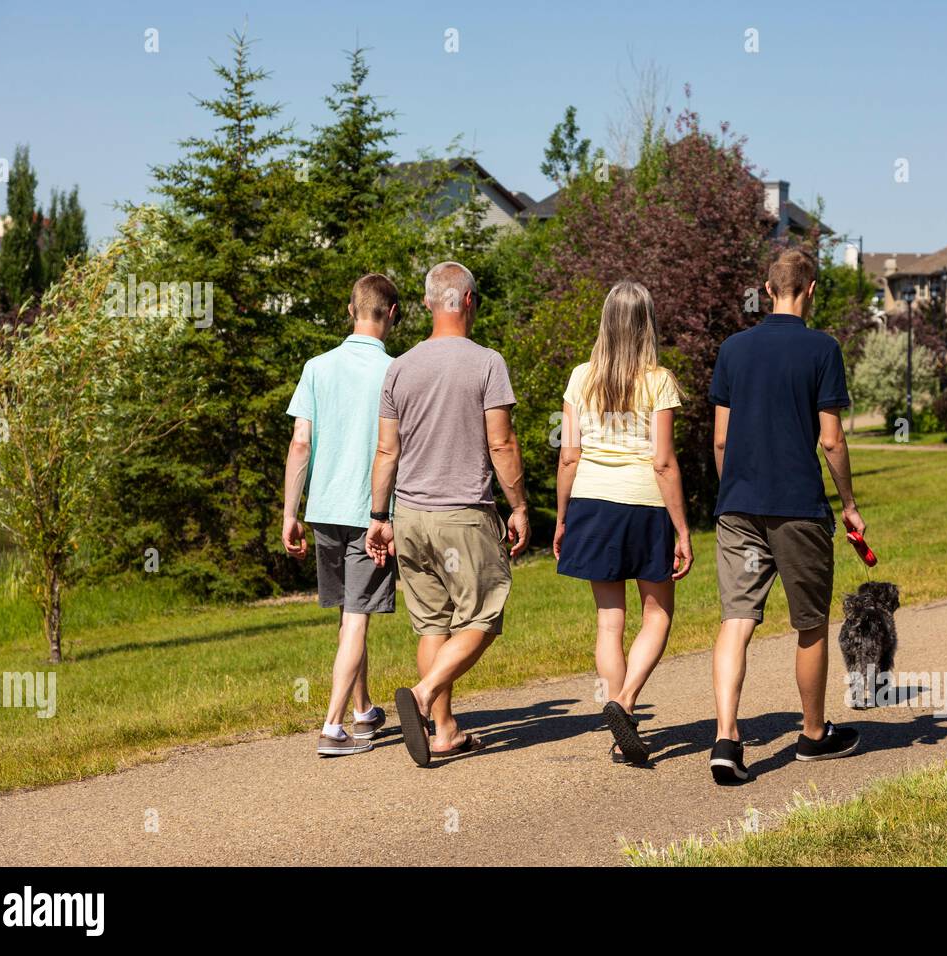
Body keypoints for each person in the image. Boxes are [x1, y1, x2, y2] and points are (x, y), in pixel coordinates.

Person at [707, 248, 865, 784]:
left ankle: (727, 738)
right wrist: (849, 504)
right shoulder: (822, 349)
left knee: (737, 621)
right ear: (811, 291)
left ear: (768, 289)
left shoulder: (733, 349)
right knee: (810, 624)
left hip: (739, 508)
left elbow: (722, 438)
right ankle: (813, 734)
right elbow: (831, 439)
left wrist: (733, 491)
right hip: (799, 508)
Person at [366, 261, 529, 768]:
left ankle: (445, 731)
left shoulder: (400, 367)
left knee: (433, 624)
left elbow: (386, 451)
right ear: (470, 302)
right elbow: (500, 442)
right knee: (484, 614)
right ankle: (423, 693)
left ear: (427, 305)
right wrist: (520, 505)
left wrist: (378, 516)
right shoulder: (486, 363)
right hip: (463, 514)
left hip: (410, 516)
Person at [554, 281, 693, 764]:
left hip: (592, 502)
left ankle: (620, 729)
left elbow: (569, 456)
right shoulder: (659, 381)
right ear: (646, 322)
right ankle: (625, 704)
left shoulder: (580, 378)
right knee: (658, 614)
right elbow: (663, 462)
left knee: (609, 621)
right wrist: (683, 529)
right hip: (644, 505)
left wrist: (563, 517)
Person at [283, 273, 400, 757]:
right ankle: (332, 727)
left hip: (324, 508)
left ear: (350, 309)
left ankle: (363, 710)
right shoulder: (397, 371)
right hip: (369, 511)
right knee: (356, 618)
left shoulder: (317, 367)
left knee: (350, 614)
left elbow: (301, 442)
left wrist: (290, 511)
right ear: (391, 314)